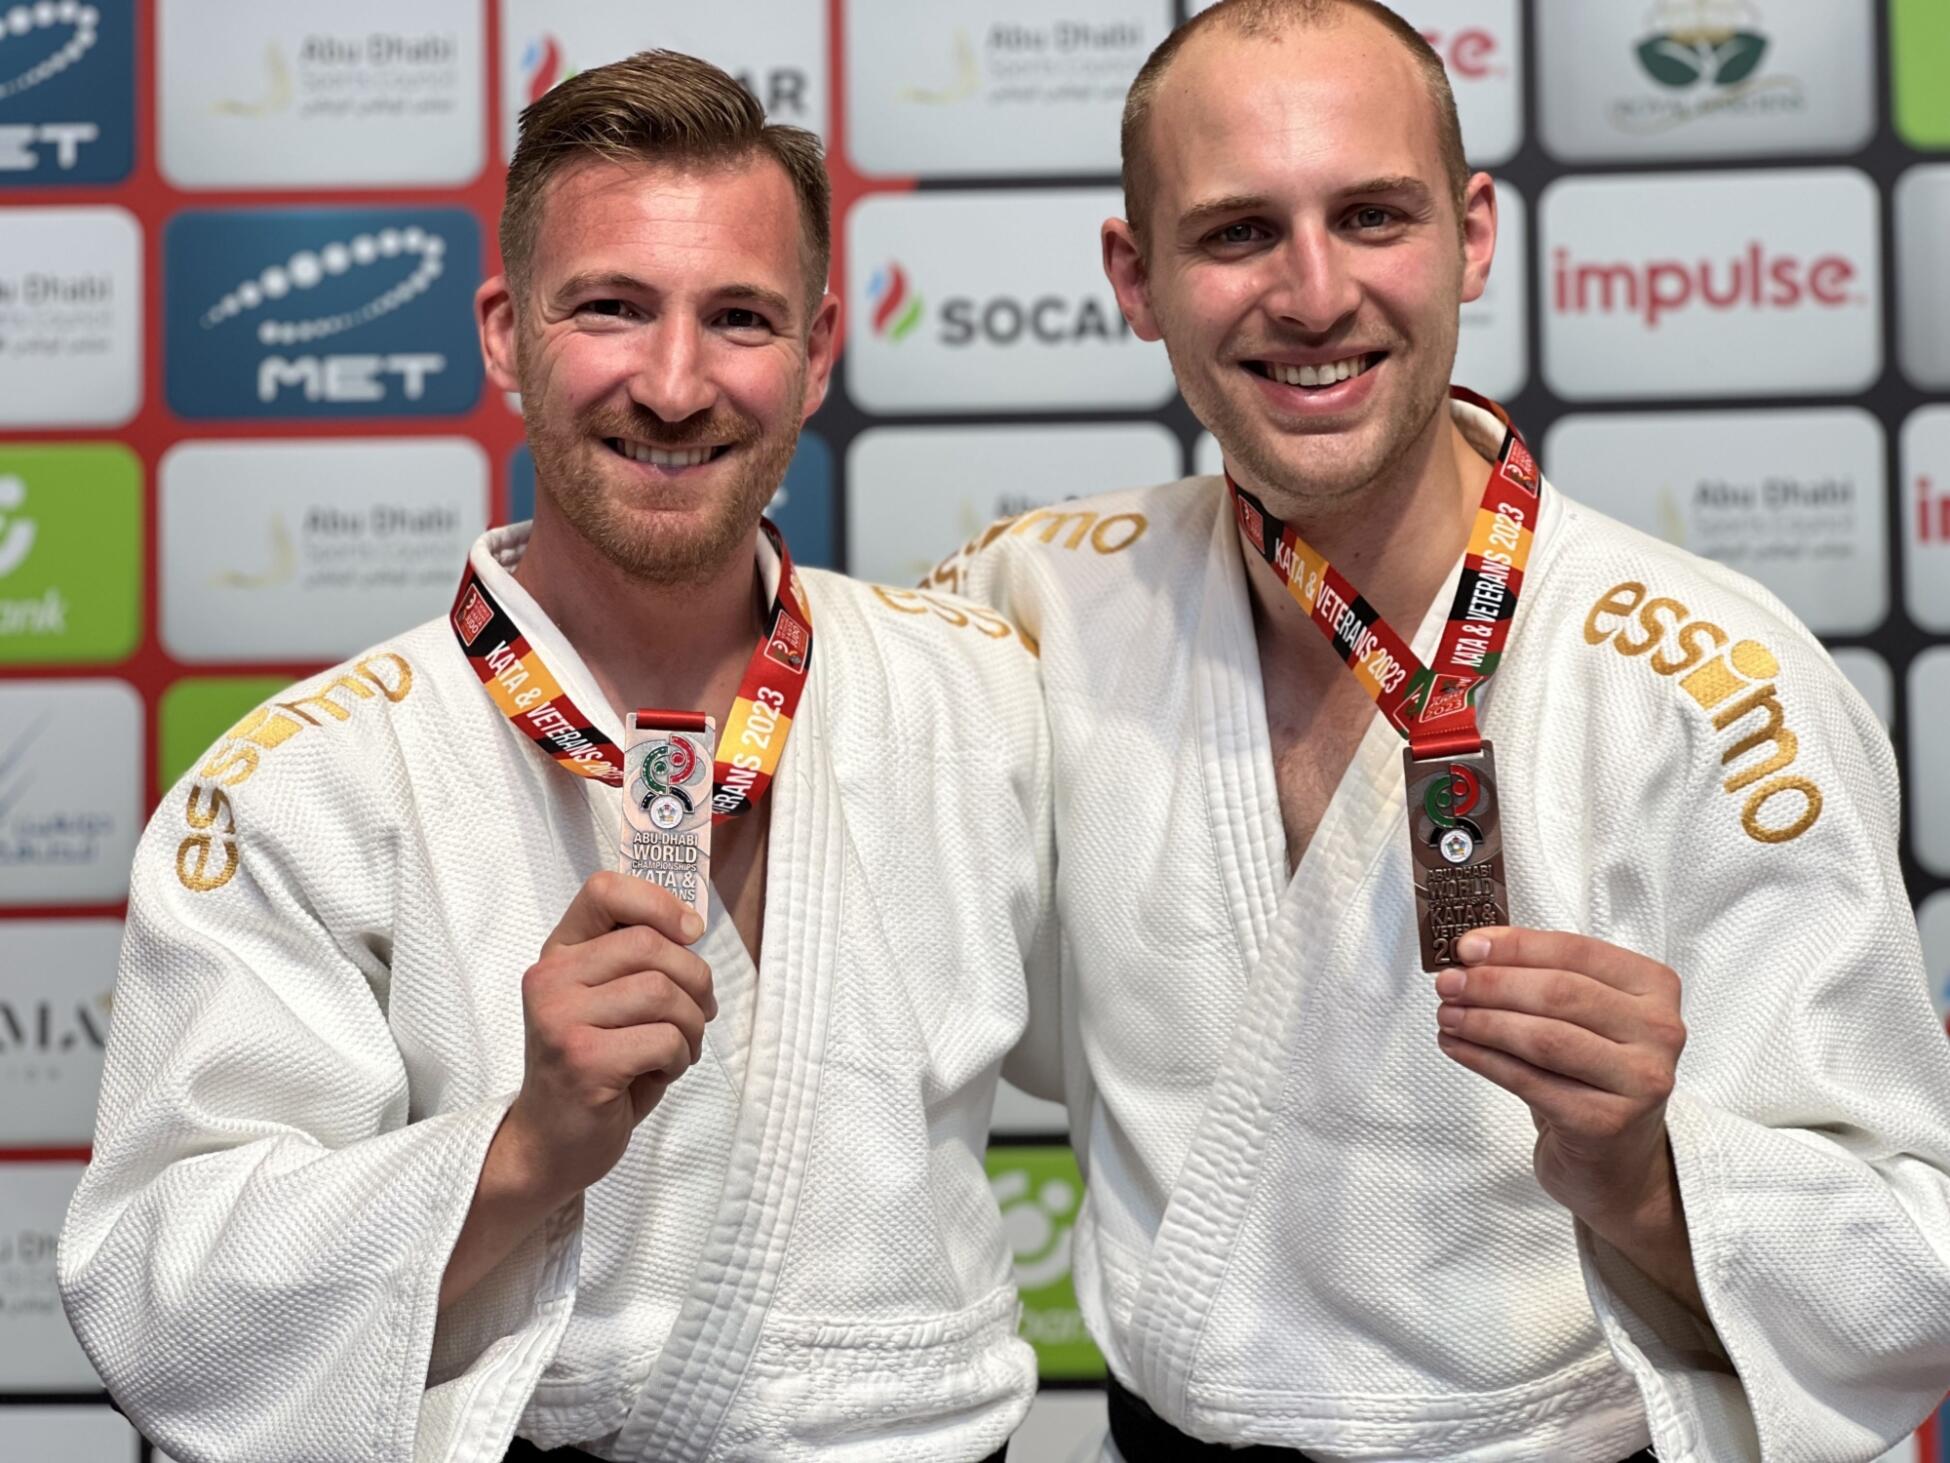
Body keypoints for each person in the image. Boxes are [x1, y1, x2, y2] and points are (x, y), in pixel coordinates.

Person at [941, 2, 1950, 1459]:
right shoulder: (1041, 604)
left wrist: (1637, 1176)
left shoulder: (1714, 681)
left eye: (1370, 217)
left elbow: (1910, 1260)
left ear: (1471, 235)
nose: (1309, 291)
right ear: (1133, 275)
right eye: (1234, 233)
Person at [60, 51, 1052, 1463]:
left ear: (819, 349)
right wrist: (523, 1150)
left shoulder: (976, 695)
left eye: (739, 319)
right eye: (609, 308)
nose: (671, 382)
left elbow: (1170, 1050)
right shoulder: (308, 784)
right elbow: (164, 1299)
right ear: (504, 333)